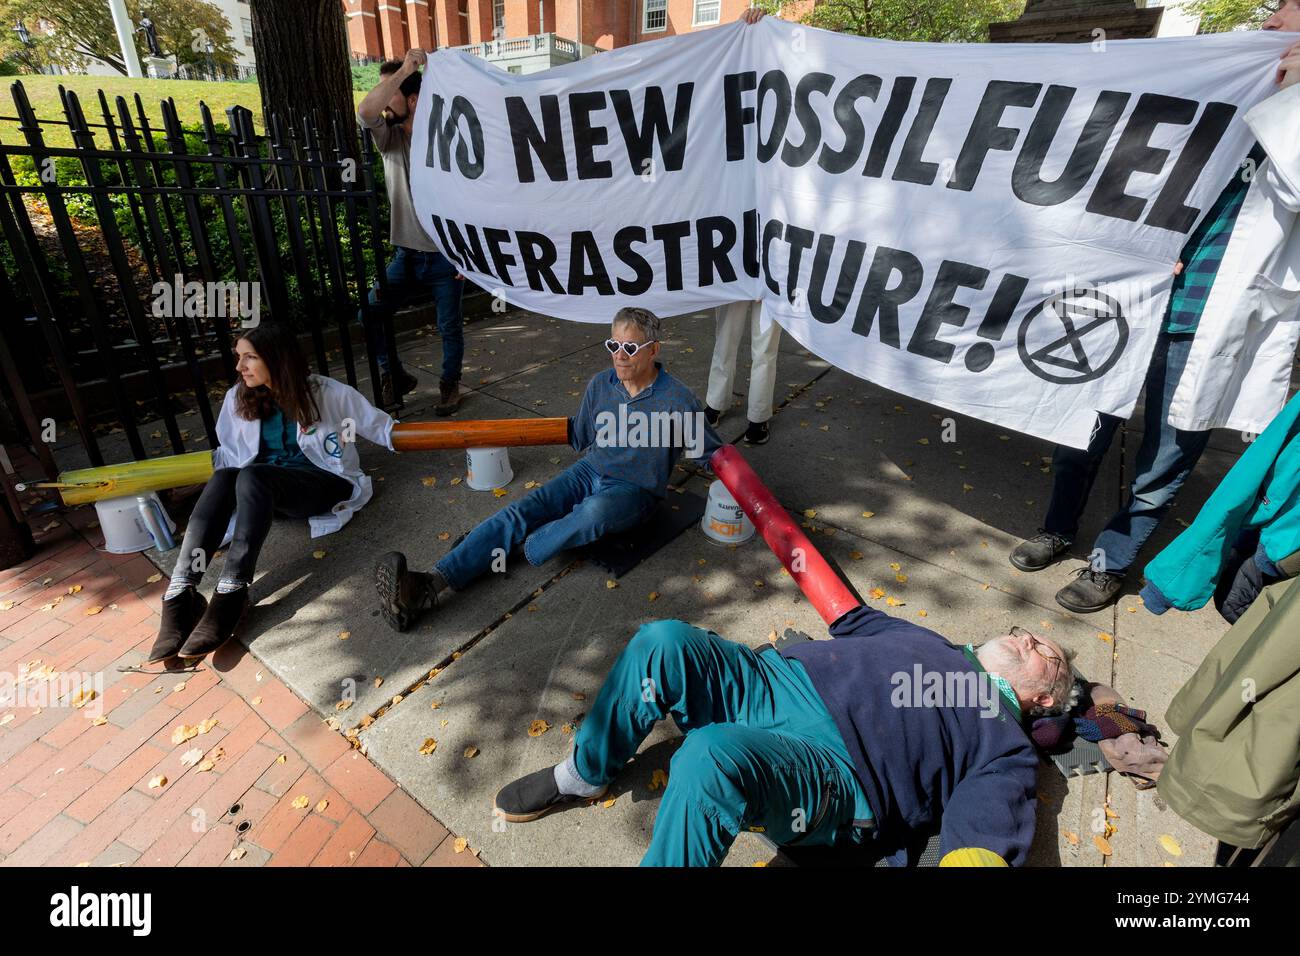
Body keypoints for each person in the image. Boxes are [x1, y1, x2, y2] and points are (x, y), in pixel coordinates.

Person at [1010, 8, 1300, 614]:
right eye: (1268, 23)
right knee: (1082, 428)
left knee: (1165, 456)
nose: (1268, 33)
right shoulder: (1204, 92)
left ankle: (1110, 561)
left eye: (1285, 28)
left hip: (1206, 321)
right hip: (1132, 299)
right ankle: (1057, 528)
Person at [494, 609, 1076, 867]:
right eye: (1025, 634)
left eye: (1046, 654)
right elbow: (844, 606)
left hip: (834, 767)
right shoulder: (931, 640)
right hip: (771, 682)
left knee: (710, 758)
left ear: (1044, 698)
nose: (1029, 641)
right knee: (663, 641)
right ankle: (586, 772)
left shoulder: (1007, 741)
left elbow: (983, 834)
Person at [374, 307, 723, 632]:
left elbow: (710, 452)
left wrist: (746, 496)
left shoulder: (679, 400)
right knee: (523, 509)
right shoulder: (601, 384)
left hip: (635, 490)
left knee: (593, 513)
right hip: (589, 471)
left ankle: (514, 547)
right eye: (613, 344)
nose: (619, 354)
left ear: (653, 349)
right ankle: (427, 585)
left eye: (630, 347)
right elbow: (581, 434)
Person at [147, 323, 395, 663]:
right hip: (263, 490)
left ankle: (232, 589)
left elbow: (380, 427)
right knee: (226, 479)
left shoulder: (326, 392)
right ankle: (181, 591)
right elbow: (229, 456)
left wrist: (455, 437)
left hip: (322, 484)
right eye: (239, 357)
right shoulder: (238, 397)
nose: (239, 367)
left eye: (250, 357)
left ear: (277, 359)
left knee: (251, 476)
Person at [356, 50, 466, 415]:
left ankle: (450, 384)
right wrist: (405, 69)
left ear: (414, 99)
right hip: (406, 254)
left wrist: (467, 255)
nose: (385, 99)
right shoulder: (389, 139)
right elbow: (365, 112)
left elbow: (472, 198)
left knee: (449, 327)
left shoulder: (443, 141)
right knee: (370, 314)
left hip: (446, 256)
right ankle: (395, 376)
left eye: (393, 92)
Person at [705, 299, 781, 445]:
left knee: (764, 350)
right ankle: (716, 403)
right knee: (724, 341)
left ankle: (758, 417)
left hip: (769, 279)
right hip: (738, 278)